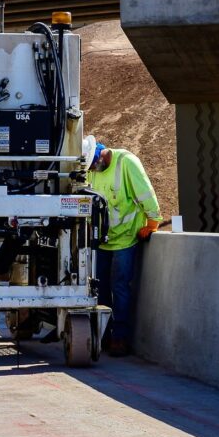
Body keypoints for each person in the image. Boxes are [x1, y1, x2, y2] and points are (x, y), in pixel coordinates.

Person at [87, 141, 162, 357]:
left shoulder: (126, 162)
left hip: (126, 238)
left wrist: (153, 220)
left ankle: (120, 337)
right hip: (102, 240)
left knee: (119, 286)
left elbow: (145, 191)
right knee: (99, 288)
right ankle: (103, 335)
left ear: (102, 155)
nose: (92, 170)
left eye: (94, 165)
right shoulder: (91, 170)